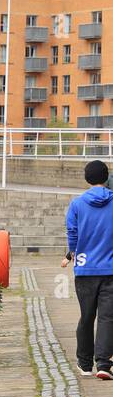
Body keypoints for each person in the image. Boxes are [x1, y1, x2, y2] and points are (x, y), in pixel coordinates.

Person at [64, 160, 113, 378]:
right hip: (110, 268)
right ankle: (103, 364)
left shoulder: (77, 204)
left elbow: (72, 232)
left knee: (86, 316)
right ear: (106, 177)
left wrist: (73, 252)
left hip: (84, 268)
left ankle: (84, 365)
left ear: (87, 178)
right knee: (107, 317)